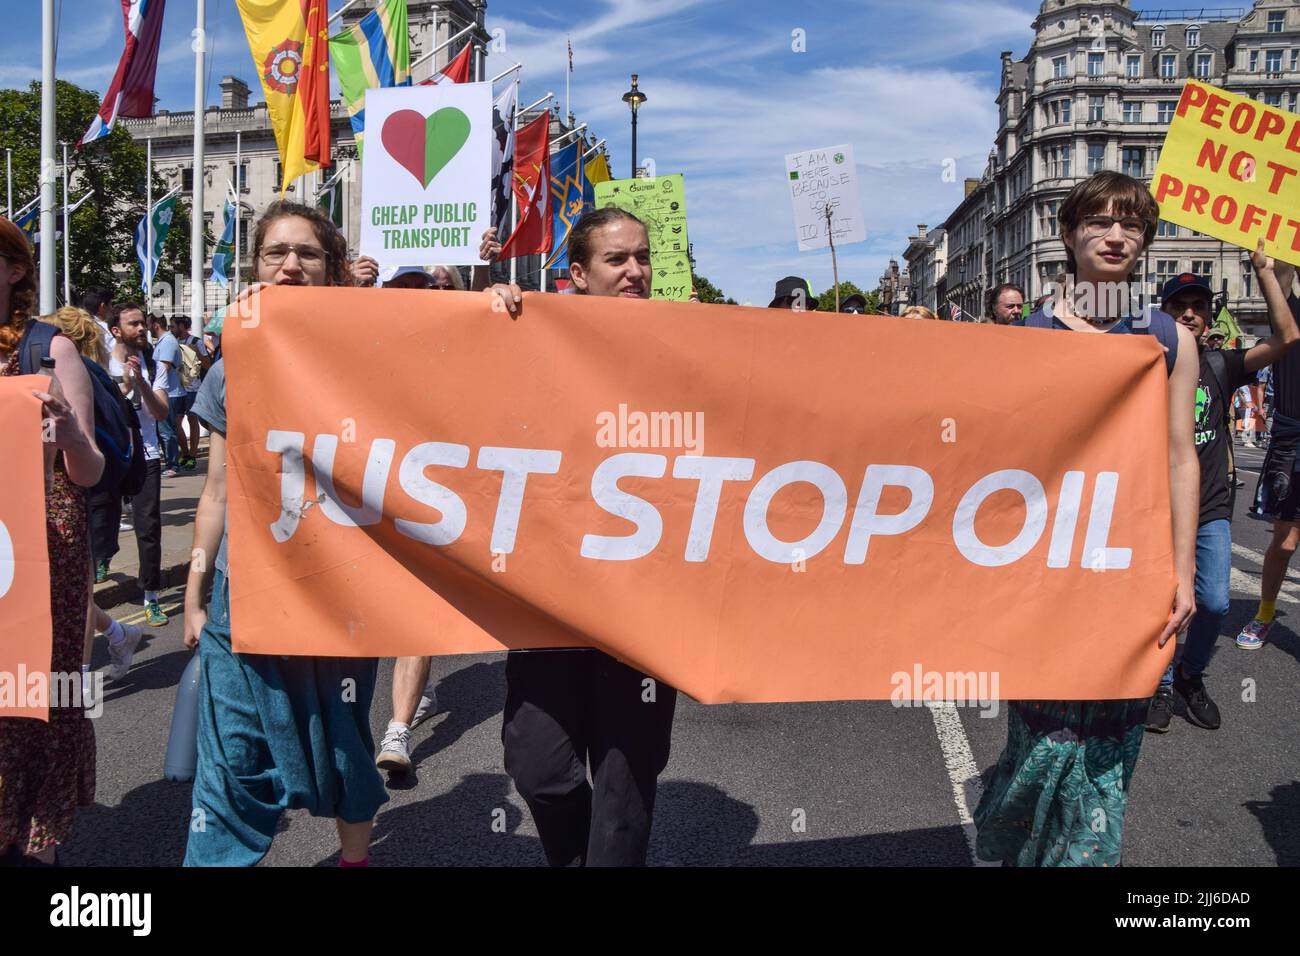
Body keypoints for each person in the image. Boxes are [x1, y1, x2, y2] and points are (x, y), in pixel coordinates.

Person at [974, 171, 1198, 867]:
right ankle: (1017, 839)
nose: (1115, 234)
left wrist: (1181, 572)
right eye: (1099, 221)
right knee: (1040, 740)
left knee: (1109, 746)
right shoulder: (1026, 337)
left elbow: (1179, 458)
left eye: (1131, 224)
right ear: (1068, 235)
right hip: (1042, 570)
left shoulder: (1167, 339)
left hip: (1127, 570)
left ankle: (1083, 857)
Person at [182, 200, 387, 867]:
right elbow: (214, 490)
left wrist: (492, 293)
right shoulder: (228, 366)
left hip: (339, 587)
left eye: (308, 254)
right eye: (276, 252)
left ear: (333, 272)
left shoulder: (375, 359)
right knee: (233, 752)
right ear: (257, 266)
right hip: (245, 589)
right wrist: (195, 587)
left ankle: (355, 859)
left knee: (342, 739)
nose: (291, 264)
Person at [481, 207, 678, 867]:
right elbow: (453, 391)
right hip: (549, 602)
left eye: (643, 257)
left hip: (643, 608)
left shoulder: (683, 343)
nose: (635, 271)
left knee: (626, 784)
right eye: (617, 259)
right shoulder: (530, 334)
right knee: (540, 768)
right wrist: (485, 302)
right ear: (577, 273)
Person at [1145, 258, 1298, 734]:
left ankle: (1191, 675)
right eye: (1178, 306)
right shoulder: (1145, 361)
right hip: (1154, 503)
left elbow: (1287, 338)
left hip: (1209, 504)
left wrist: (1266, 273)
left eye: (1197, 307)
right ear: (1163, 313)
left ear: (1209, 319)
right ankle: (1161, 683)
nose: (1189, 314)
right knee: (1161, 601)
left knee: (1212, 601)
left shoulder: (1221, 364)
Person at [0, 216, 104, 866]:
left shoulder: (50, 348)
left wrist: (65, 431)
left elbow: (90, 469)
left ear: (13, 270)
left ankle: (38, 835)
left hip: (43, 549)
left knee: (39, 692)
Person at [43, 306, 148, 683]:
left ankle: (80, 677)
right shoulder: (95, 372)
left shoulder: (75, 370)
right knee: (68, 591)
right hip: (87, 490)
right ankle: (122, 635)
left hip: (87, 490)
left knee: (77, 590)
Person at [1236, 266, 1300, 651]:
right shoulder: (1291, 316)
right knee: (1286, 541)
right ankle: (1264, 612)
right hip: (1293, 440)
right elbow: (1281, 280)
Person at [109, 303, 172, 630]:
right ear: (116, 330)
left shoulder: (152, 363)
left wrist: (141, 383)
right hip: (107, 457)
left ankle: (151, 596)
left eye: (143, 324)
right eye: (133, 324)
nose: (141, 329)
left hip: (145, 455)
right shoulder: (98, 360)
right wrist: (124, 386)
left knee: (148, 527)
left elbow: (160, 413)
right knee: (100, 526)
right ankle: (103, 560)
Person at [148, 312, 184, 476]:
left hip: (170, 392)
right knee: (164, 430)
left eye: (148, 323)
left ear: (155, 324)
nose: (146, 327)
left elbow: (165, 367)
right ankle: (170, 463)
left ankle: (172, 465)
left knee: (167, 430)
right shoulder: (164, 341)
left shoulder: (168, 342)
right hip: (166, 391)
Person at [172, 314, 210, 467]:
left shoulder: (196, 342)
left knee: (192, 420)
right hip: (176, 388)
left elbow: (207, 364)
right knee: (176, 422)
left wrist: (197, 352)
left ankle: (192, 456)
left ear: (182, 326)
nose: (171, 329)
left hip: (193, 388)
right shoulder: (172, 342)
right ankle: (185, 452)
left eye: (174, 325)